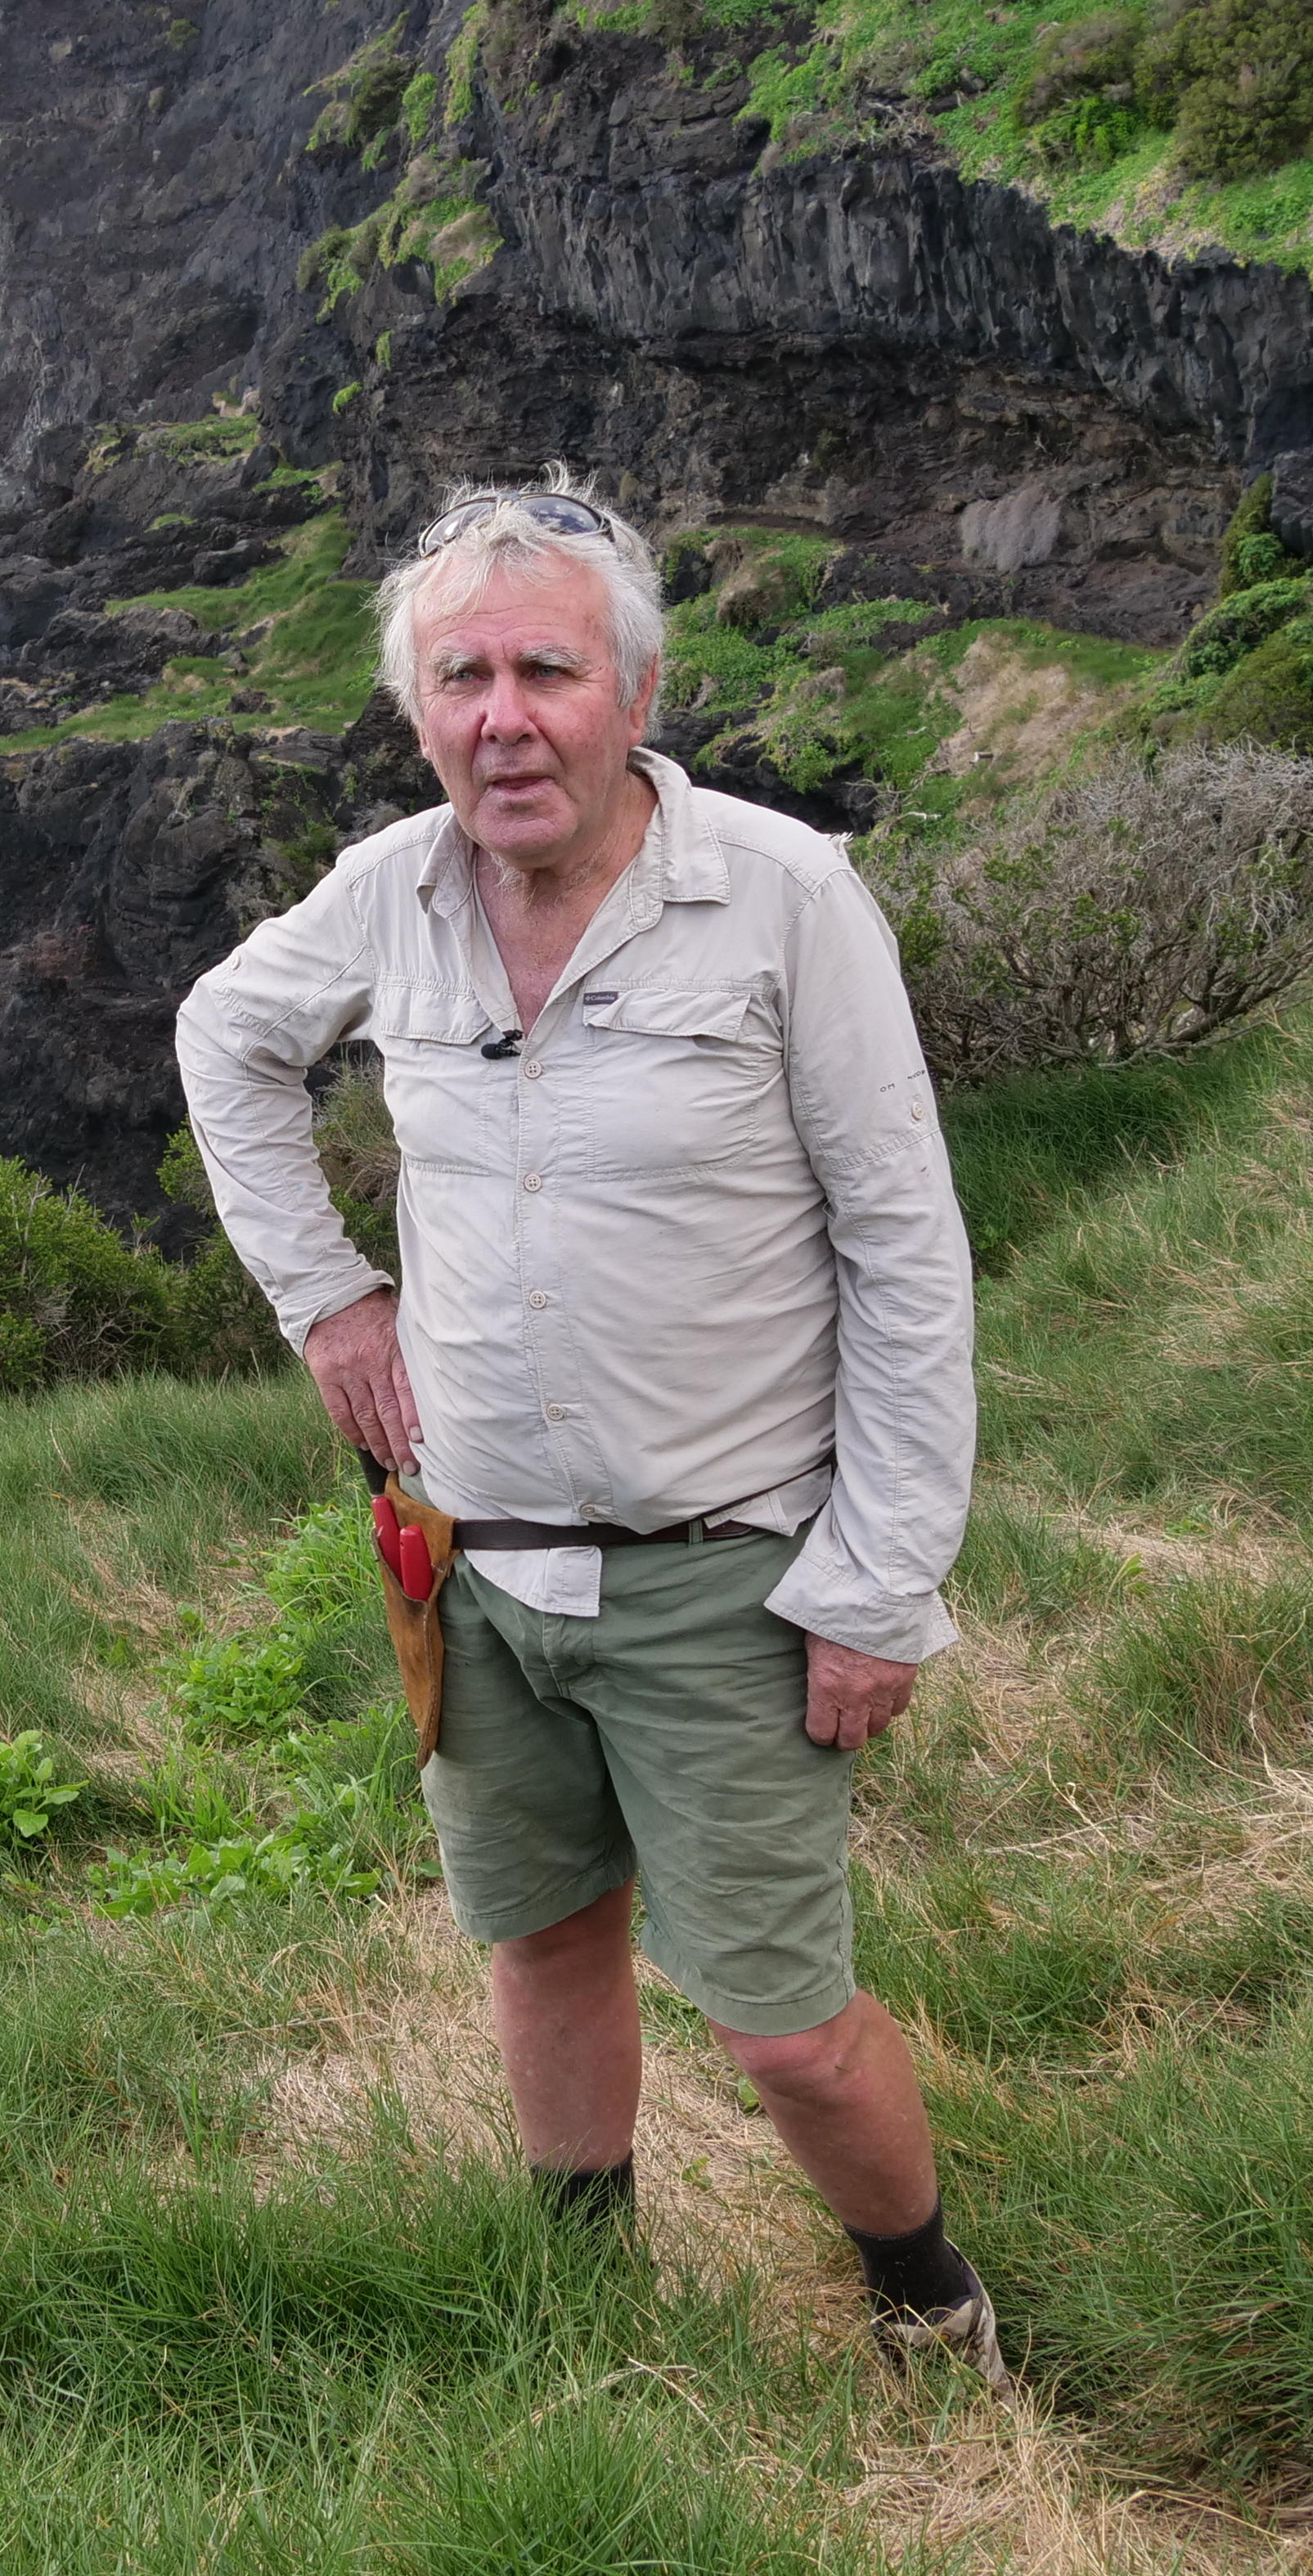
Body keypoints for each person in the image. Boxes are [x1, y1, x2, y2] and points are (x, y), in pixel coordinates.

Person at [173, 474, 1000, 2376]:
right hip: (473, 1571)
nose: (500, 717)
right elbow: (227, 1035)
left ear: (635, 689)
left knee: (783, 2028)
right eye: (459, 677)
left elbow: (905, 1254)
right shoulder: (393, 891)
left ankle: (928, 2306)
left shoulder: (786, 897)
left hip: (729, 1577)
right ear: (415, 712)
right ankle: (584, 2305)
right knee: (541, 1940)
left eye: (544, 669)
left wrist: (880, 1582)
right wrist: (326, 1293)